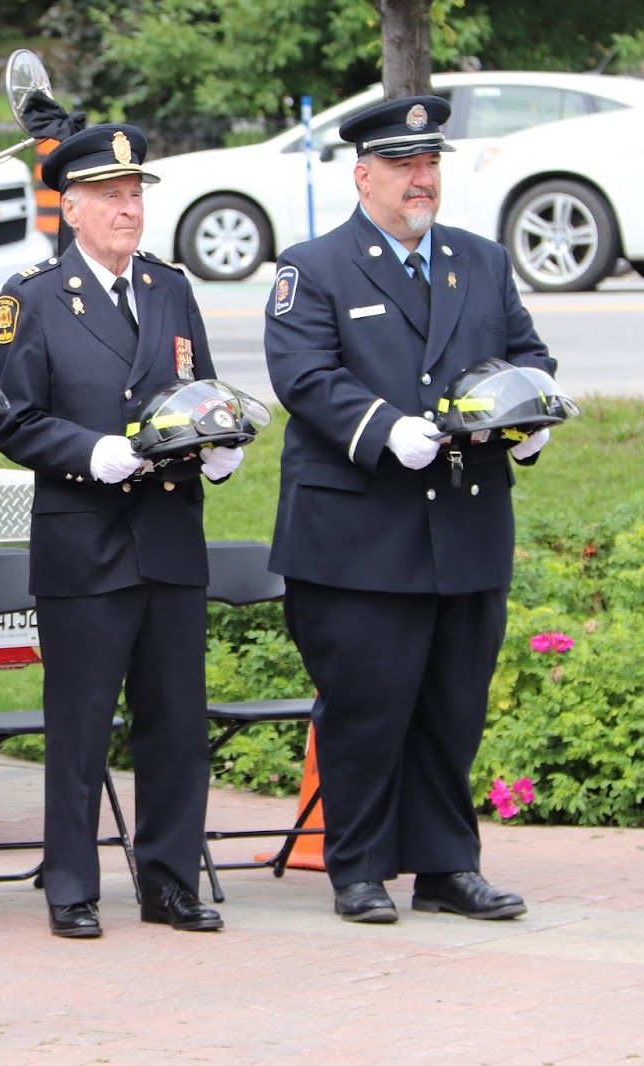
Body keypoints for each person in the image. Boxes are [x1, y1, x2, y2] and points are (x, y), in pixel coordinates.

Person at [262, 95, 553, 924]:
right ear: (363, 176)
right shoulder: (315, 266)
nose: (420, 180)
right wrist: (385, 428)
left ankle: (446, 866)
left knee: (453, 706)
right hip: (359, 535)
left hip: (463, 527)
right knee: (366, 706)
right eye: (402, 166)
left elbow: (526, 354)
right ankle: (357, 868)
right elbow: (304, 374)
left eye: (429, 165)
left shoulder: (480, 261)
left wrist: (528, 418)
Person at [0, 123, 239, 939]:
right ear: (70, 208)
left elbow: (199, 388)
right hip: (86, 539)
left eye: (135, 195)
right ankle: (72, 886)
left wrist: (219, 444)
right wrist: (91, 452)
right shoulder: (32, 297)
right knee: (81, 725)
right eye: (110, 196)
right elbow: (15, 421)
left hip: (168, 534)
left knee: (177, 724)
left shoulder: (168, 287)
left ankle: (170, 882)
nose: (129, 209)